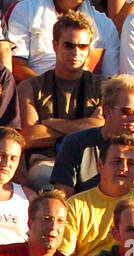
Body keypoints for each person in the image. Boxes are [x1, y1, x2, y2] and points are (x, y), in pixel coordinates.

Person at [18, 13, 102, 175]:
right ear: (55, 46)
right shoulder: (30, 87)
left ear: (89, 48)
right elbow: (28, 137)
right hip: (46, 161)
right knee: (42, 177)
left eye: (83, 46)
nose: (76, 53)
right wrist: (87, 125)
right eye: (69, 45)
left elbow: (105, 128)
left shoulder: (104, 87)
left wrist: (51, 123)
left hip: (92, 160)